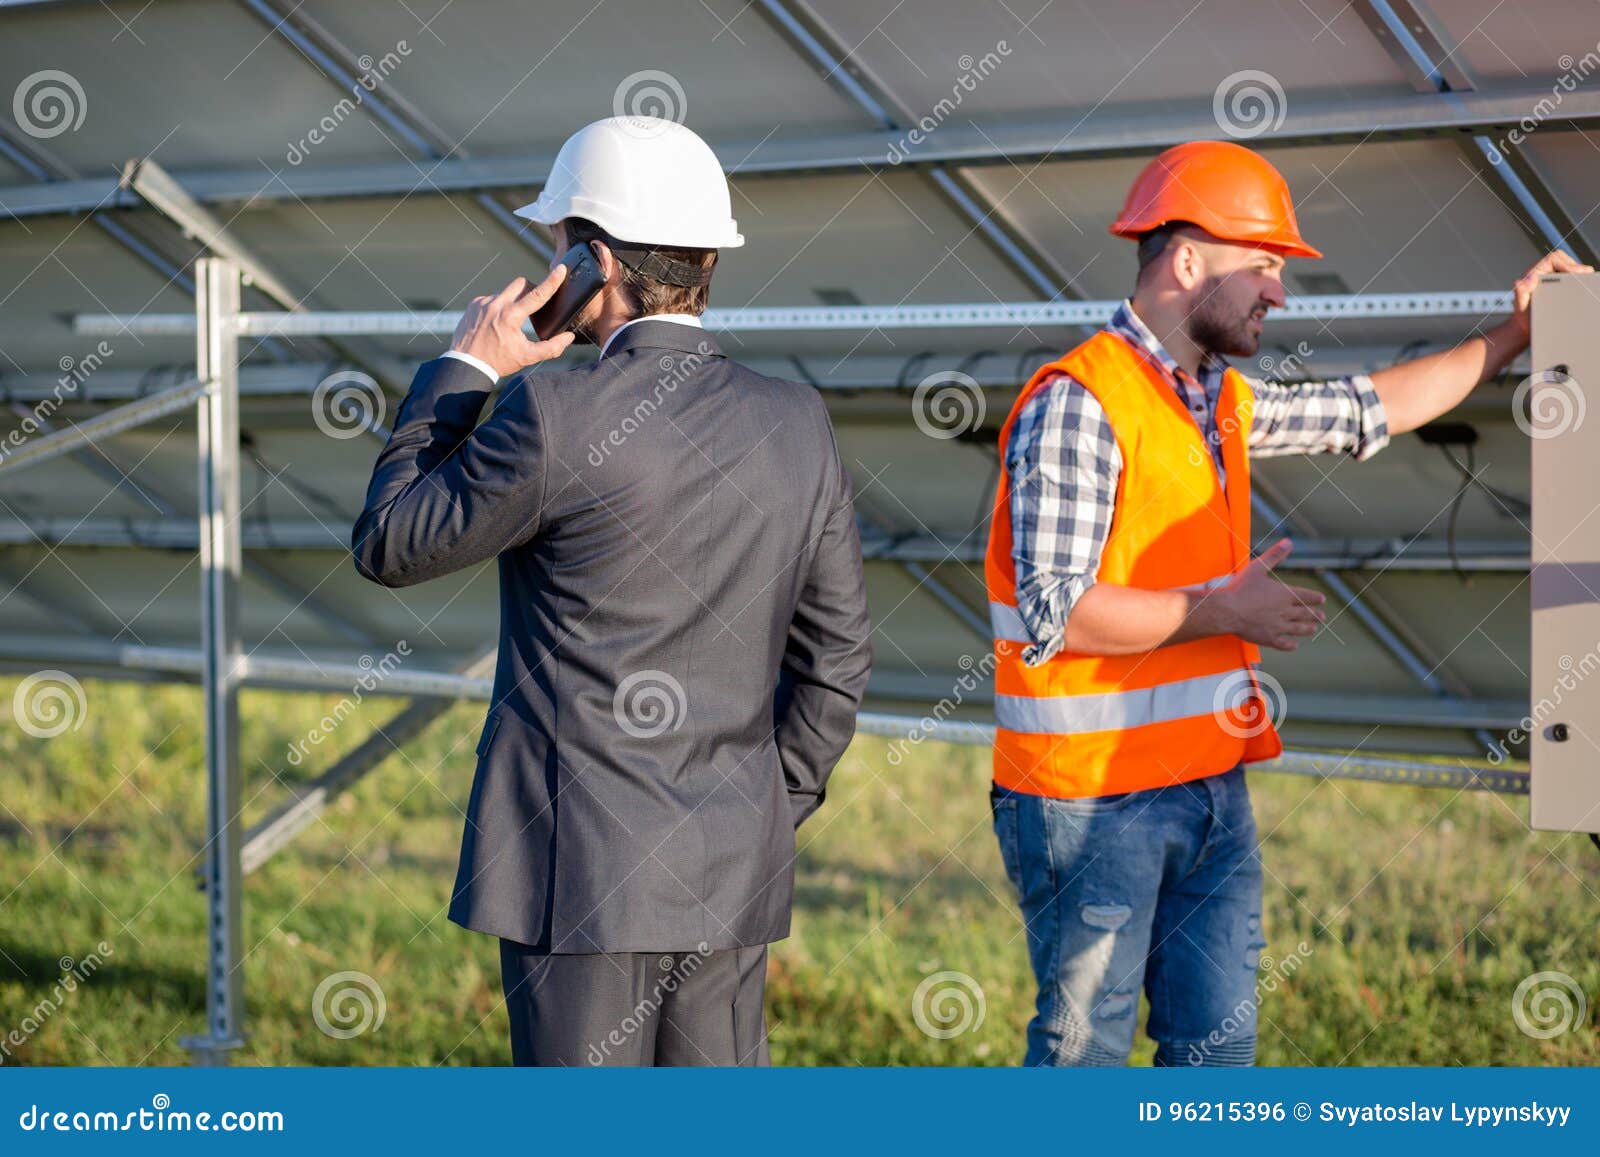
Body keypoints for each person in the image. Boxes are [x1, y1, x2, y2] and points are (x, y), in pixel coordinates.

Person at [984, 138, 1589, 1067]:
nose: (1280, 291)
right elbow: (1056, 611)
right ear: (1189, 262)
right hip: (1090, 798)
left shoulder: (1217, 401)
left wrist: (1516, 334)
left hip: (1208, 786)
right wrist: (1223, 612)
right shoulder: (1082, 402)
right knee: (1084, 1060)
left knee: (1217, 1055)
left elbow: (1367, 408)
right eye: (1263, 265)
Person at [351, 115, 872, 1066]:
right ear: (708, 256)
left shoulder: (554, 411)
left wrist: (467, 369)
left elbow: (391, 542)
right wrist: (759, 806)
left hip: (576, 877)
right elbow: (836, 662)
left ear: (588, 263)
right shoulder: (799, 421)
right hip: (729, 870)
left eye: (558, 241)